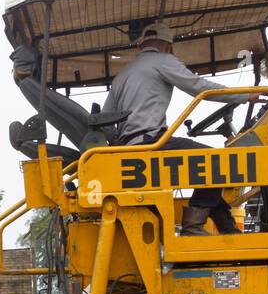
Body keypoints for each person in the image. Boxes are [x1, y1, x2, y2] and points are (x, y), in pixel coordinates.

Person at [102, 20, 253, 235]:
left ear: (141, 45)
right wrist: (247, 95)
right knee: (216, 162)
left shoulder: (122, 76)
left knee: (206, 171)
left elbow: (107, 122)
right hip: (153, 143)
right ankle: (193, 226)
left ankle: (227, 229)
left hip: (129, 149)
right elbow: (200, 88)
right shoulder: (162, 60)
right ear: (167, 45)